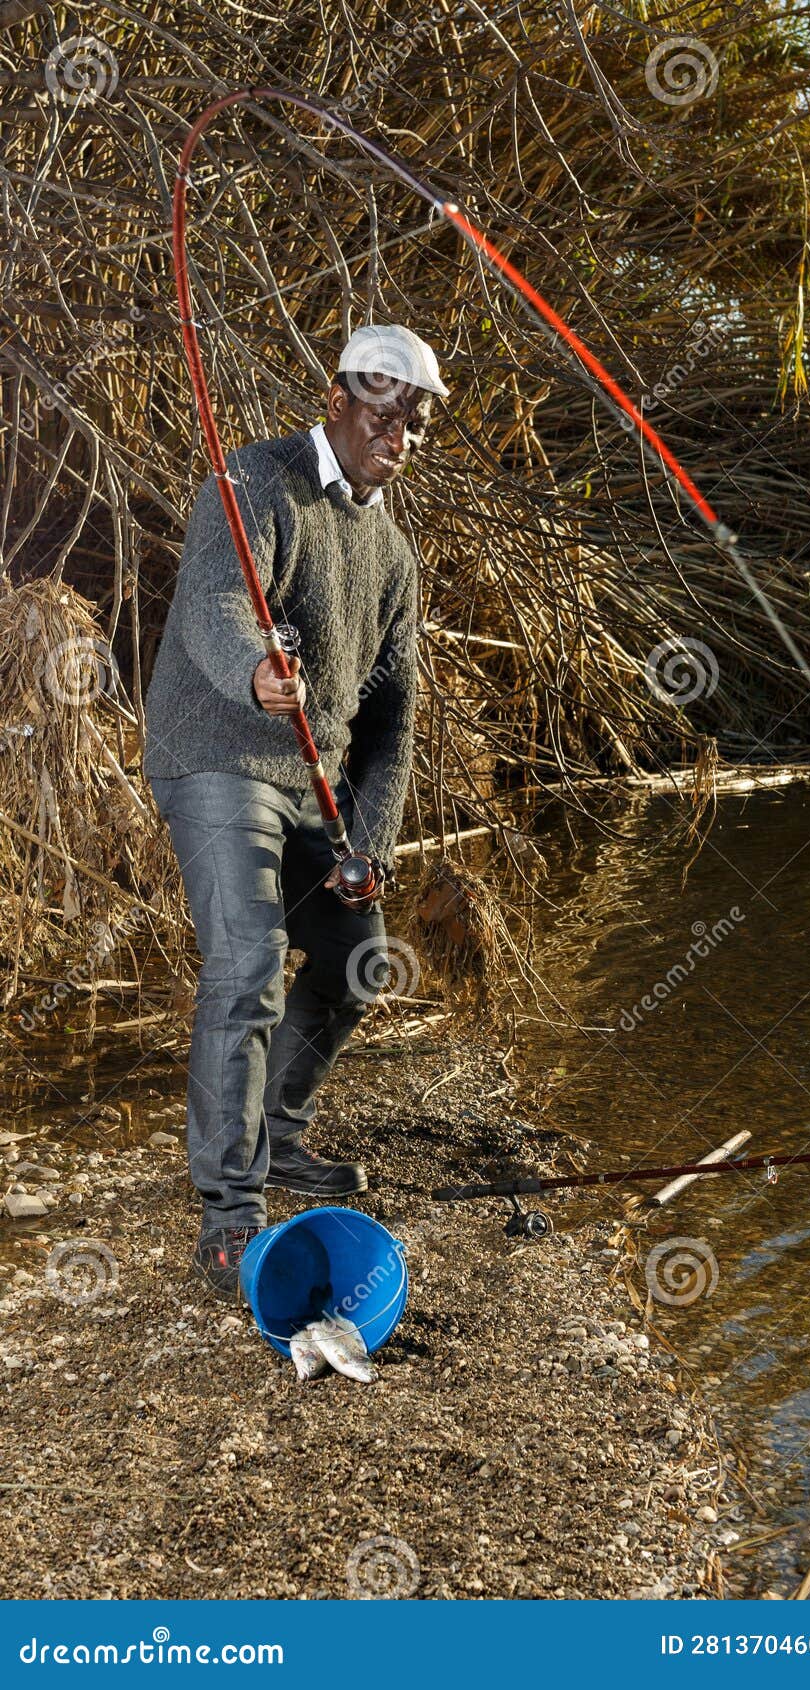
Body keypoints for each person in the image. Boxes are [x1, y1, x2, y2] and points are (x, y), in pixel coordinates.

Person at [144, 323, 448, 1299]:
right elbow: (216, 607)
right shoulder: (251, 483)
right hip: (215, 756)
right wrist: (254, 670)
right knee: (244, 970)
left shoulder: (393, 556)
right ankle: (231, 1213)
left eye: (414, 416)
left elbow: (391, 723)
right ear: (338, 398)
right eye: (381, 406)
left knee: (357, 960)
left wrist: (367, 841)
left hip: (310, 784)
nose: (396, 429)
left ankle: (278, 1139)